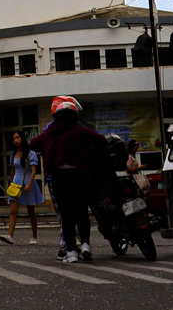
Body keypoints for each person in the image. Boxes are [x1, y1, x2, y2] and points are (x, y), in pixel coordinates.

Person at [30, 95, 104, 264]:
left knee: (66, 215)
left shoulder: (49, 133)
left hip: (59, 177)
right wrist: (87, 149)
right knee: (81, 212)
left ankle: (71, 251)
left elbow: (33, 145)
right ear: (74, 116)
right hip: (79, 175)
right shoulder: (79, 131)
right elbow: (101, 140)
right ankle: (86, 245)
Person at [0, 129, 44, 244]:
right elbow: (13, 169)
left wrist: (29, 184)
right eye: (14, 138)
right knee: (13, 210)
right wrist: (11, 183)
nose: (16, 140)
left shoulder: (31, 153)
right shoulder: (13, 154)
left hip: (27, 182)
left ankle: (34, 237)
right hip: (16, 182)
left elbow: (33, 171)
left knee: (31, 211)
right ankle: (10, 235)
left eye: (17, 138)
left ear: (22, 138)